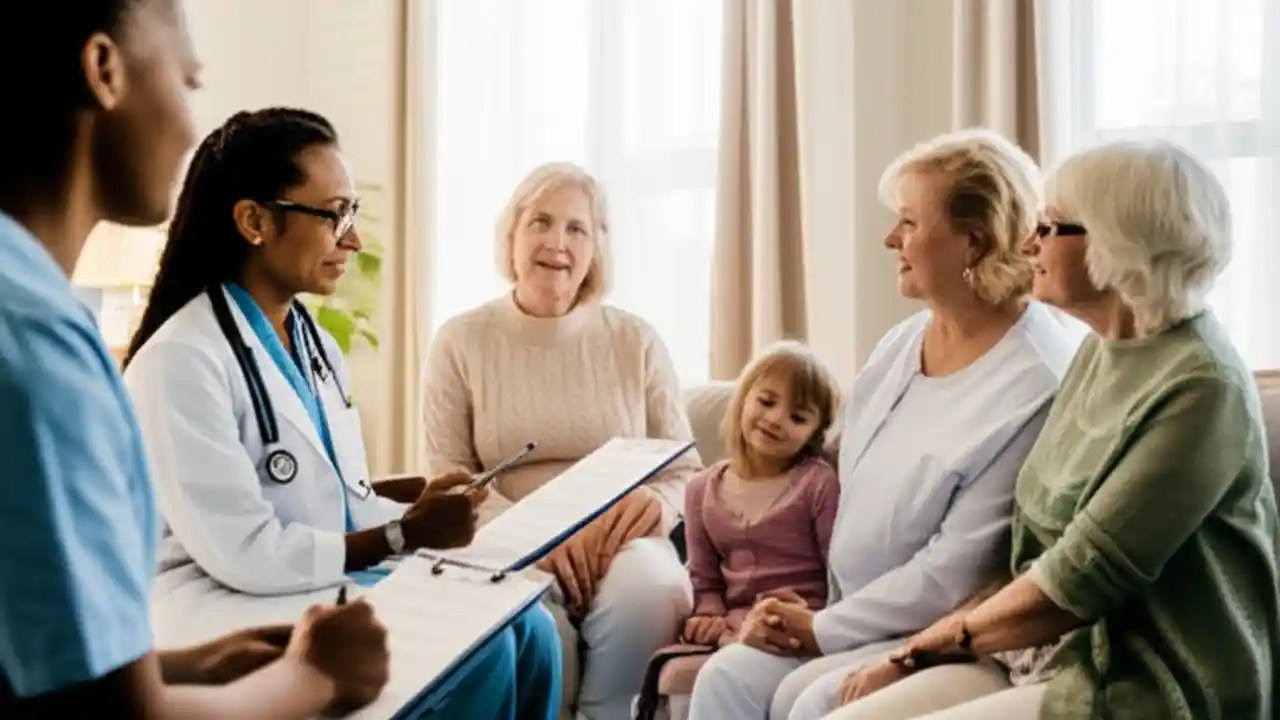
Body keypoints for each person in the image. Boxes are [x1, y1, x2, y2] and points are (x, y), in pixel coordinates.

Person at [0, 2, 389, 717]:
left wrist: (185, 666)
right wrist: (313, 678)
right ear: (104, 70)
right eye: (188, 79)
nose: (190, 130)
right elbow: (115, 713)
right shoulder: (37, 348)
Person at [811, 141, 1279, 719]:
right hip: (1048, 659)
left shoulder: (1202, 386)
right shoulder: (1103, 351)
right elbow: (1027, 554)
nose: (1028, 242)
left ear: (1118, 243)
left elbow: (1078, 579)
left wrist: (920, 649)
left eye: (1051, 226)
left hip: (1150, 683)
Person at [122, 108, 560, 720]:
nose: (353, 240)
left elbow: (340, 503)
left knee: (533, 629)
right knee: (477, 651)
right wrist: (408, 533)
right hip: (223, 599)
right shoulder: (179, 361)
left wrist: (416, 507)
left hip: (303, 579)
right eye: (335, 216)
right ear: (254, 221)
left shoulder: (315, 345)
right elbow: (245, 551)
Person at [687, 129, 1081, 719]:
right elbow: (832, 473)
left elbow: (957, 569)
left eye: (910, 223)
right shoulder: (903, 341)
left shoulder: (1035, 381)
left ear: (973, 241)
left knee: (810, 701)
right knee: (726, 677)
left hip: (934, 629)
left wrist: (823, 628)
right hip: (844, 609)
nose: (890, 239)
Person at [422, 161, 701, 719]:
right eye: (540, 223)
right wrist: (541, 539)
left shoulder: (635, 340)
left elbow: (685, 470)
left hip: (618, 541)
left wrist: (654, 503)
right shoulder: (460, 340)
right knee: (530, 618)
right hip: (511, 543)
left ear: (597, 247)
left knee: (656, 585)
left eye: (577, 228)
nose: (557, 243)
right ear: (512, 236)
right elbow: (449, 474)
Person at [635, 341, 841, 720]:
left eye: (797, 417)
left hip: (797, 622)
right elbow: (705, 578)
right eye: (766, 401)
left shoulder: (817, 484)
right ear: (744, 398)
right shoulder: (700, 490)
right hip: (734, 624)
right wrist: (709, 614)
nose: (776, 419)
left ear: (815, 432)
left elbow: (838, 571)